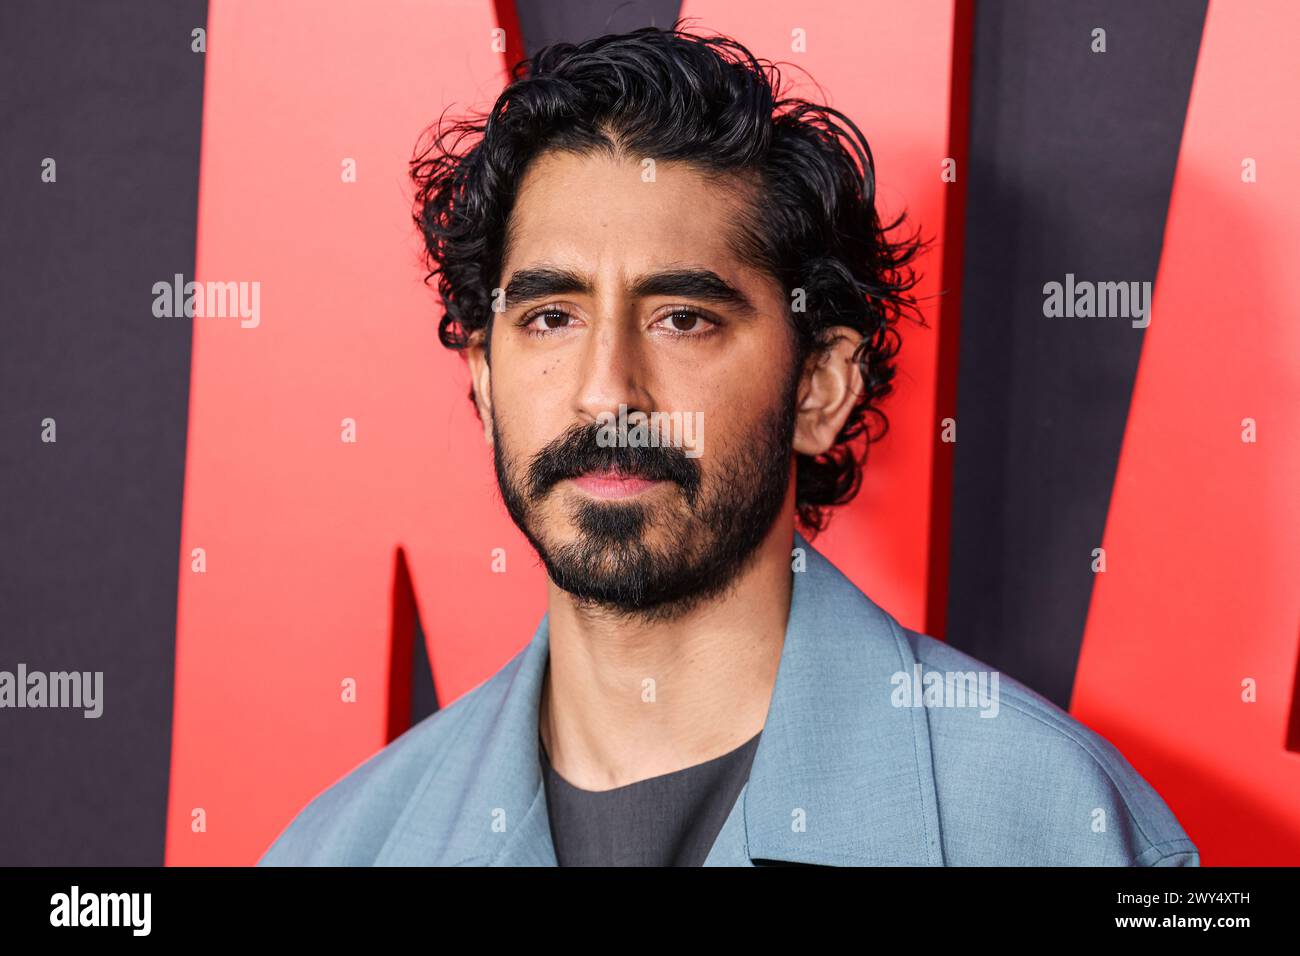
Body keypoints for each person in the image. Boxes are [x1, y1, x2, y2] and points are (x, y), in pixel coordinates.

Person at [259, 24, 1197, 867]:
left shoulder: (1053, 827)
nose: (606, 390)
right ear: (483, 378)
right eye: (550, 316)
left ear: (821, 386)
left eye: (682, 318)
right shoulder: (341, 849)